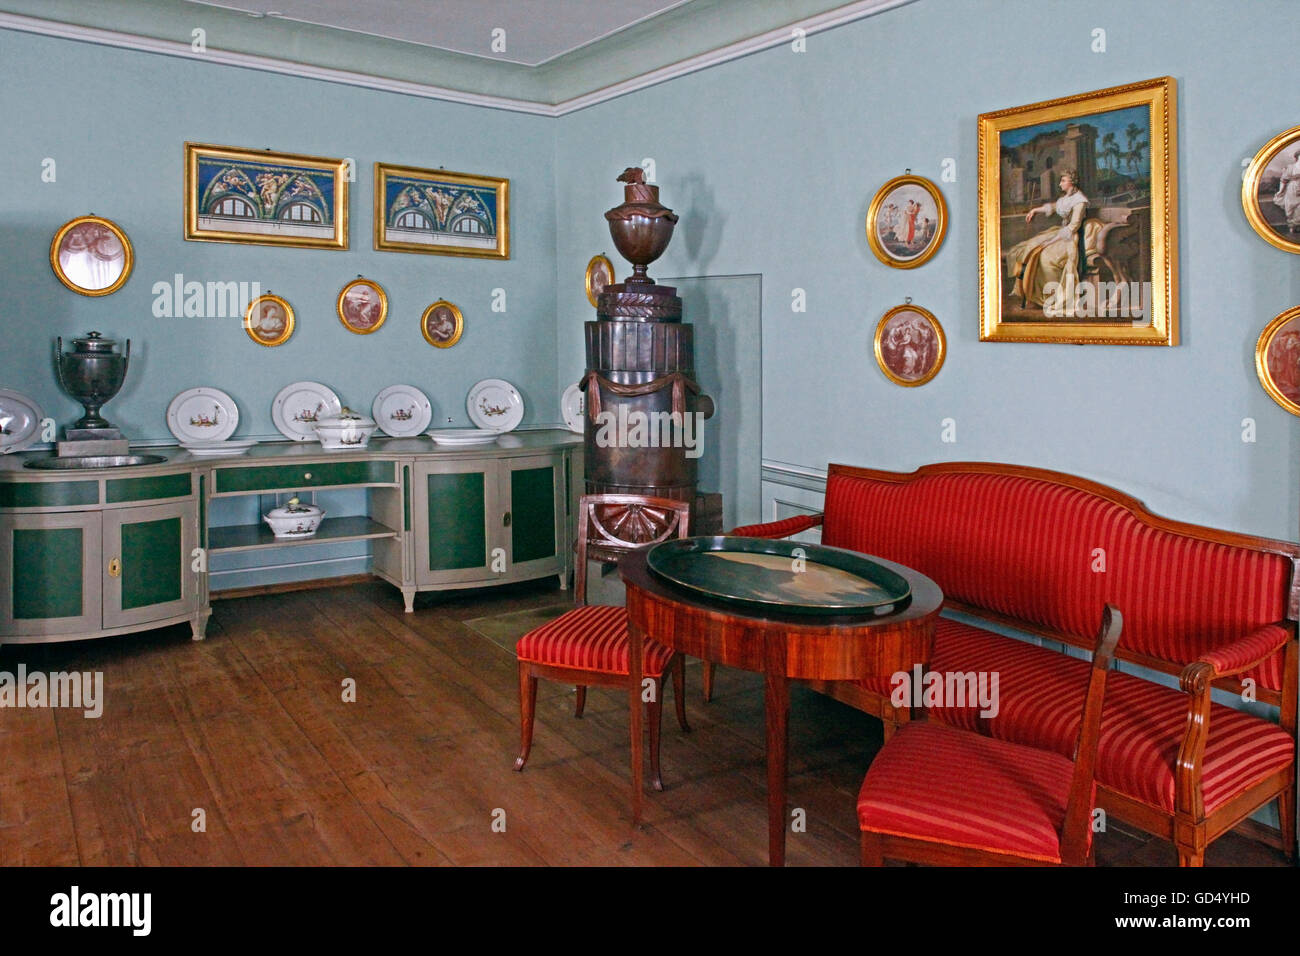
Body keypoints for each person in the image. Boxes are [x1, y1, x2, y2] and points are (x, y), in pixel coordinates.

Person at [1005, 169, 1092, 312]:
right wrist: (1034, 210)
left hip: (1071, 237)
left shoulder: (1080, 201)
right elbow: (1053, 207)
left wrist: (1050, 242)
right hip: (1060, 232)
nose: (1060, 184)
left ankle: (1049, 297)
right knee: (1029, 247)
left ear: (1071, 182)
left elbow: (1073, 227)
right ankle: (1030, 294)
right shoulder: (1066, 198)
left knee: (1047, 258)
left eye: (1063, 180)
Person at [1273, 148, 1300, 235]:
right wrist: (1280, 191)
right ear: (1297, 157)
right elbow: (1283, 180)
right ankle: (1292, 227)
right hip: (1292, 189)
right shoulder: (1290, 168)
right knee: (1291, 208)